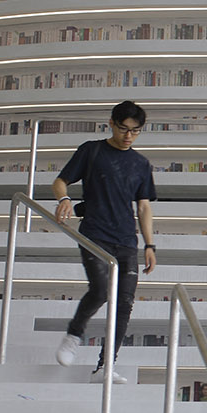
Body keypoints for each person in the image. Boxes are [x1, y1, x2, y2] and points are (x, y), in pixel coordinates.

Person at [50, 101, 157, 383]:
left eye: (135, 131)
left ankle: (105, 367)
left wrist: (149, 245)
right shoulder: (92, 150)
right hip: (95, 233)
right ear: (111, 123)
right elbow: (60, 181)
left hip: (125, 239)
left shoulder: (141, 164)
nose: (128, 136)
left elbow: (144, 207)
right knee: (100, 290)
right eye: (123, 129)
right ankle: (74, 334)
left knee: (125, 303)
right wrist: (64, 199)